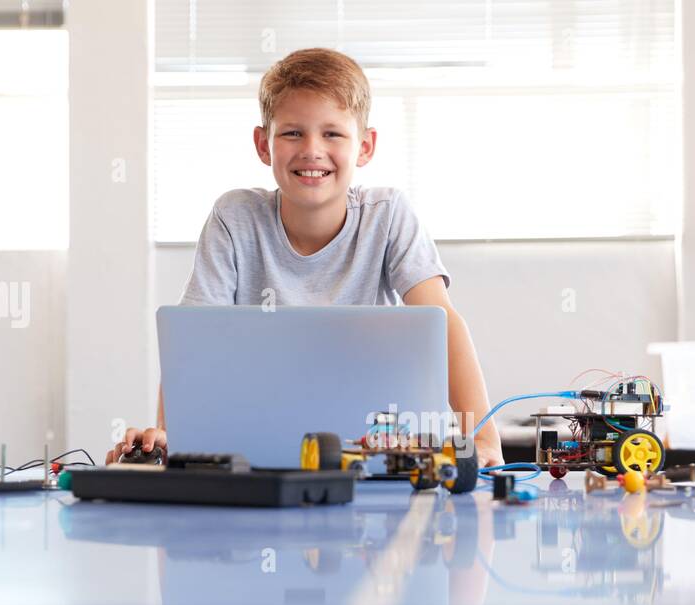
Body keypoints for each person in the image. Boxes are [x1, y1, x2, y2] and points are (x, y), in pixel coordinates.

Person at [107, 47, 503, 467]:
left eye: (332, 134)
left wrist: (483, 438)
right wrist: (171, 435)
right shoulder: (234, 217)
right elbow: (193, 341)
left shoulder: (388, 215)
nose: (312, 150)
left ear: (365, 146)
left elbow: (442, 322)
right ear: (263, 145)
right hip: (258, 455)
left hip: (375, 450)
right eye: (293, 133)